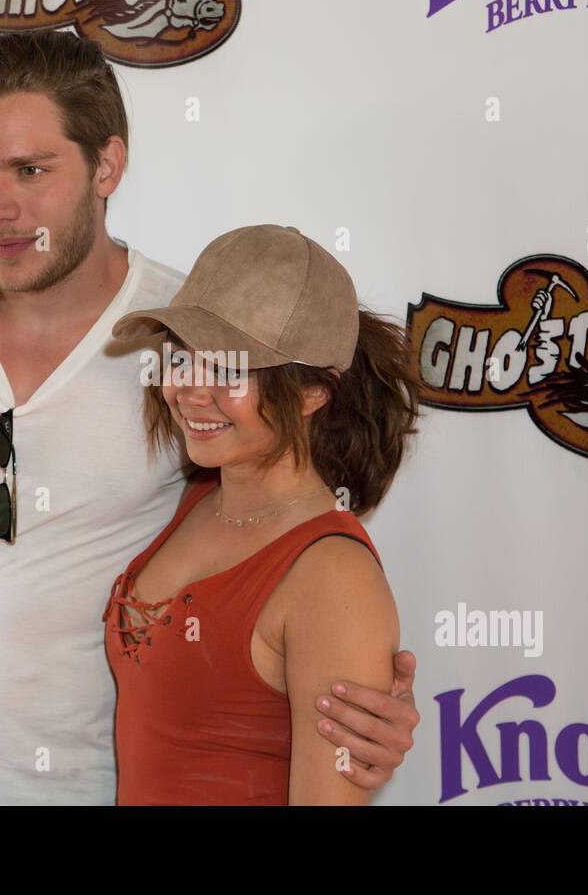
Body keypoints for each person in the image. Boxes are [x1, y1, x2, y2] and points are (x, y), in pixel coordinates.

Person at [0, 30, 421, 806]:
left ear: (107, 165)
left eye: (29, 170)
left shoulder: (186, 336)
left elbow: (289, 539)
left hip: (94, 790)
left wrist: (353, 705)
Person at [103, 225, 419, 804]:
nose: (190, 390)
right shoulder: (199, 497)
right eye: (182, 358)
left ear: (312, 392)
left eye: (228, 369)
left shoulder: (333, 578)